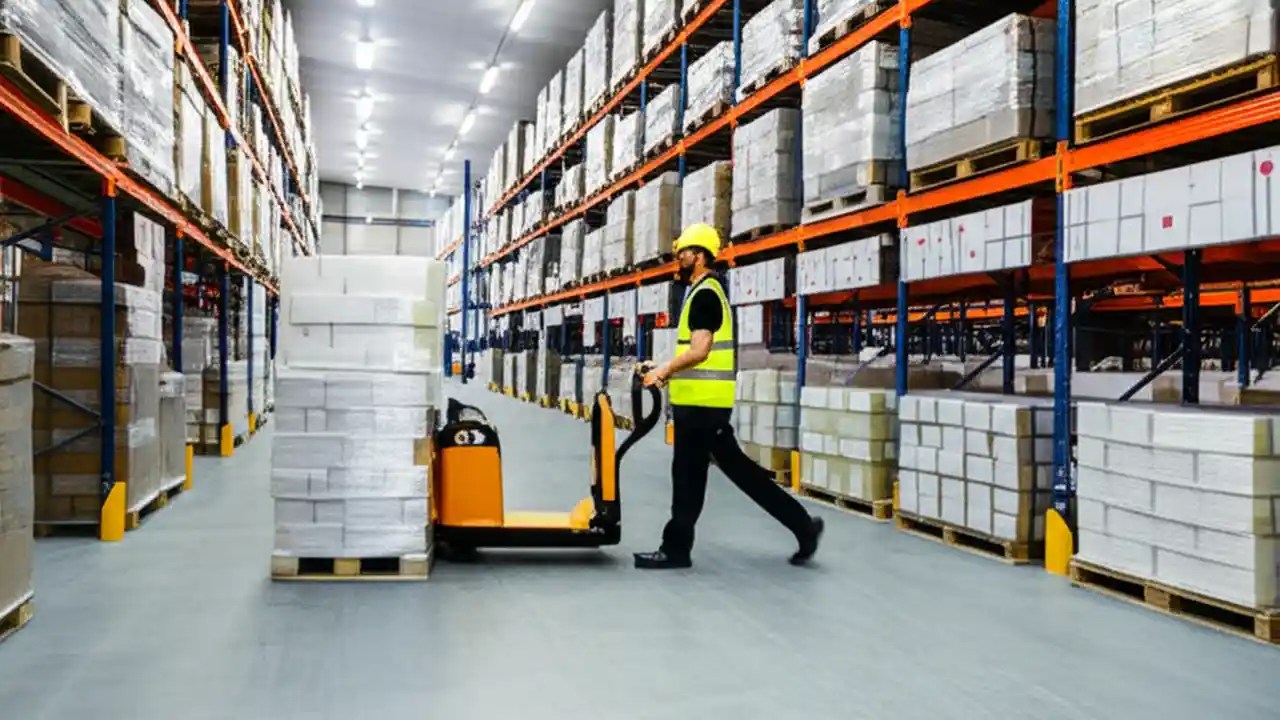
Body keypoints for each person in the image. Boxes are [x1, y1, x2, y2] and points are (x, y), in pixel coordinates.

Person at [633, 224, 824, 570]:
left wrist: (663, 372)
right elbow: (690, 350)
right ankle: (677, 548)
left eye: (684, 252)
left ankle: (803, 527)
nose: (679, 259)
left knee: (735, 476)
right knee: (689, 478)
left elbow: (701, 350)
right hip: (696, 408)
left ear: (701, 255)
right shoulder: (698, 292)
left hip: (705, 410)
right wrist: (659, 365)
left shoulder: (706, 293)